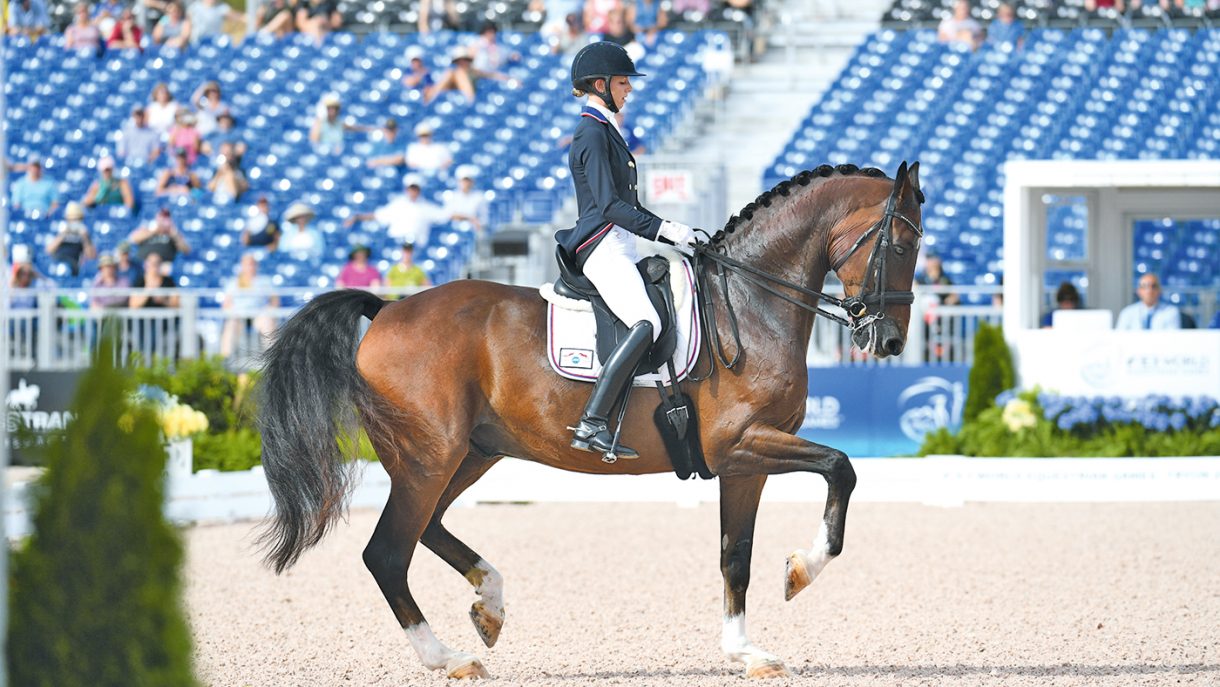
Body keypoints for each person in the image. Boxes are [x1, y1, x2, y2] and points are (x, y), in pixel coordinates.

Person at [556, 42, 695, 459]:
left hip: (622, 243)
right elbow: (610, 207)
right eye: (622, 82)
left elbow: (628, 206)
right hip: (601, 245)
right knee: (646, 320)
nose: (629, 90)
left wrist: (677, 236)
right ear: (600, 85)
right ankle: (592, 422)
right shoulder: (591, 133)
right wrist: (666, 230)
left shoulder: (605, 131)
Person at [345, 174, 447, 246]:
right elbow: (378, 215)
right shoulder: (398, 204)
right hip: (397, 245)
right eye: (411, 188)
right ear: (406, 189)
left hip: (416, 248)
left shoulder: (426, 207)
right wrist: (357, 217)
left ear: (419, 190)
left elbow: (445, 215)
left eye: (415, 188)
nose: (413, 191)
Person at [219, 252, 279, 357]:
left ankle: (272, 358)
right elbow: (226, 304)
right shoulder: (233, 283)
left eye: (252, 264)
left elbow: (275, 300)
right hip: (238, 317)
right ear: (242, 266)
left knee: (267, 323)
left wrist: (268, 309)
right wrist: (233, 312)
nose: (249, 267)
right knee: (231, 326)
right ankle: (226, 359)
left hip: (258, 315)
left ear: (256, 265)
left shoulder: (265, 281)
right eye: (246, 264)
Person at [1115, 273, 1181, 330]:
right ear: (1138, 291)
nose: (1149, 291)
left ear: (1159, 290)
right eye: (1144, 286)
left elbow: (1172, 339)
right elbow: (1120, 338)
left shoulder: (1170, 312)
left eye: (1153, 286)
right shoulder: (1127, 313)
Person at [47, 201, 97, 276]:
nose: (74, 222)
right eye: (72, 219)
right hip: (58, 262)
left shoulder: (84, 234)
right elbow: (49, 250)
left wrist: (85, 238)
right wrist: (63, 234)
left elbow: (91, 256)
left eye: (77, 219)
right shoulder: (60, 230)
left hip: (73, 265)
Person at [443, 165, 488, 234]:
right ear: (458, 181)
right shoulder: (452, 197)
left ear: (472, 181)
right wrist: (470, 218)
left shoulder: (479, 197)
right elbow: (448, 215)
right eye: (463, 180)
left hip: (474, 234)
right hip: (454, 234)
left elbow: (483, 219)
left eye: (468, 180)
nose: (466, 183)